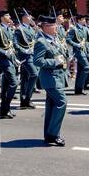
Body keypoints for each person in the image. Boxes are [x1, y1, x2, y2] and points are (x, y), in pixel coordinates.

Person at [33, 14, 69, 145]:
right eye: (54, 25)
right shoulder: (41, 42)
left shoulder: (55, 39)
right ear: (46, 27)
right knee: (62, 103)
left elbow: (63, 54)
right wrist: (54, 61)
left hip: (58, 77)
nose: (56, 27)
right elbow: (37, 61)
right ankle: (54, 134)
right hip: (50, 78)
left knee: (52, 106)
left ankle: (48, 135)